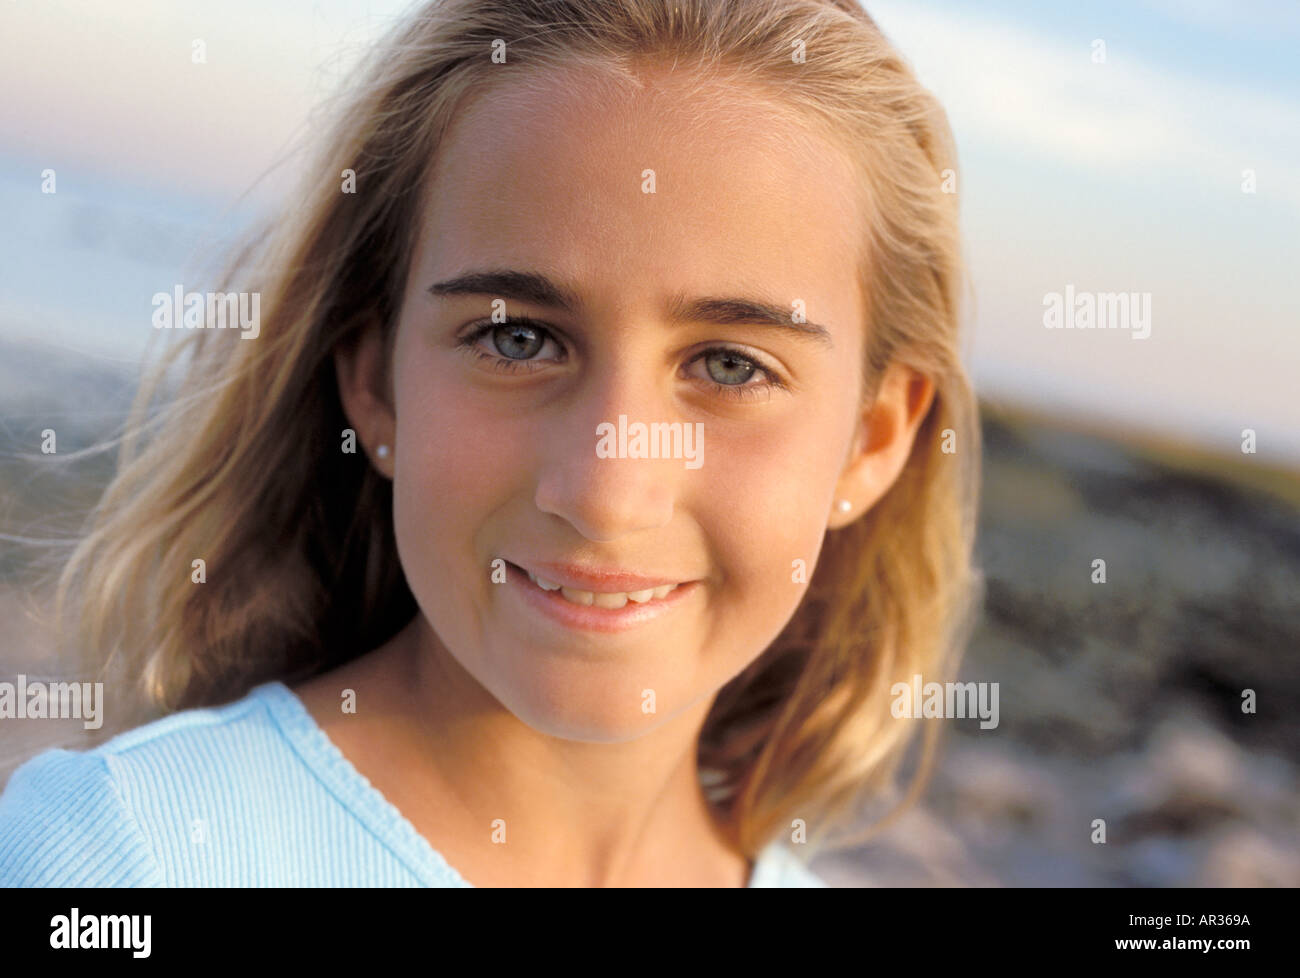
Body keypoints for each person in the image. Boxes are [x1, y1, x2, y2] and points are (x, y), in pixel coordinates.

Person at [0, 0, 979, 887]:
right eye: (518, 339)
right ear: (376, 384)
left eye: (728, 366)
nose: (604, 489)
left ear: (871, 440)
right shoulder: (132, 854)